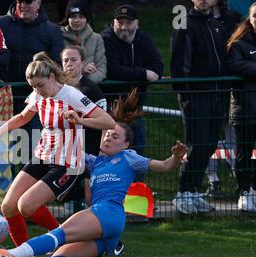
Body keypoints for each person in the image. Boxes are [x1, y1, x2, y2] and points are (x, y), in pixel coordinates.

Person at [0, 124, 187, 257]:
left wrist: (176, 157)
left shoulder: (129, 157)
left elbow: (165, 166)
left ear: (126, 144)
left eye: (114, 136)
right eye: (106, 134)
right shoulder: (92, 162)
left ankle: (12, 254)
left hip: (109, 213)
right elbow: (64, 155)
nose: (107, 138)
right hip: (104, 228)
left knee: (59, 234)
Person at [0, 52, 116, 257]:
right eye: (33, 87)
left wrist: (80, 119)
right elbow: (24, 116)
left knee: (26, 205)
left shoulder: (71, 95)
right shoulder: (38, 95)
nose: (37, 91)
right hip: (43, 156)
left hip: (67, 163)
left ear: (53, 78)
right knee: (8, 206)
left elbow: (108, 121)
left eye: (40, 85)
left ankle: (65, 239)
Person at [171, 0, 230, 215]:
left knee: (210, 144)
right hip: (196, 95)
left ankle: (193, 191)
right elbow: (179, 61)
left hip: (218, 95)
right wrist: (185, 93)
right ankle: (183, 192)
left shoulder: (218, 23)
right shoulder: (183, 21)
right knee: (196, 143)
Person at [0, 0, 64, 158]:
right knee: (1, 153)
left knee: (34, 151)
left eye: (29, 2)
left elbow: (57, 64)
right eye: (20, 1)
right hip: (4, 98)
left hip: (37, 99)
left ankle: (32, 181)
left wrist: (40, 84)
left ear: (39, 3)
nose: (23, 5)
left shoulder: (52, 30)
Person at [101, 4, 164, 182]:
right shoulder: (105, 40)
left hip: (134, 110)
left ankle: (135, 199)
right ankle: (107, 196)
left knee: (137, 155)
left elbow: (158, 66)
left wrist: (145, 73)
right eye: (119, 22)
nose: (123, 27)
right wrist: (142, 74)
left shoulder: (144, 39)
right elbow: (111, 70)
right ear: (113, 22)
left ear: (137, 23)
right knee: (107, 155)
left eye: (128, 22)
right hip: (109, 110)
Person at [204, 0, 241, 197]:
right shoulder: (193, 20)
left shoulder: (233, 19)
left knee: (232, 135)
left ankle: (239, 180)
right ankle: (212, 179)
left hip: (229, 87)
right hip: (206, 88)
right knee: (206, 135)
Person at [227, 2, 256, 212]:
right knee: (244, 152)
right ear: (250, 18)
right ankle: (244, 191)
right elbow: (235, 65)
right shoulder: (239, 43)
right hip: (245, 109)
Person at [60, 0, 106, 84]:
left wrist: (84, 84)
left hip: (90, 88)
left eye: (81, 17)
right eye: (73, 16)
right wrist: (80, 70)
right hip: (65, 87)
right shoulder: (58, 36)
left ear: (87, 19)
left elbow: (101, 70)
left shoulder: (97, 38)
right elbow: (56, 68)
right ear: (67, 19)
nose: (77, 20)